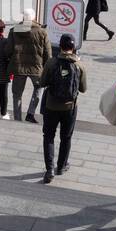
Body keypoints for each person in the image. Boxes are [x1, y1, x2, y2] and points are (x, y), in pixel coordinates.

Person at [39, 34, 86, 183]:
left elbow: (43, 82)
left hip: (51, 105)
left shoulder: (51, 63)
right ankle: (61, 166)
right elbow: (83, 88)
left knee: (48, 136)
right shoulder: (79, 65)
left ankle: (49, 170)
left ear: (60, 46)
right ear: (73, 48)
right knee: (66, 137)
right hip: (70, 107)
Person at [6, 7, 51, 124]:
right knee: (40, 87)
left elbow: (7, 50)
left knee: (17, 94)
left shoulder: (14, 30)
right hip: (36, 68)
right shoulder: (42, 32)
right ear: (34, 18)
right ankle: (30, 112)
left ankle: (17, 118)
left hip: (18, 67)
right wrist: (46, 68)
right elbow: (48, 53)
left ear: (23, 18)